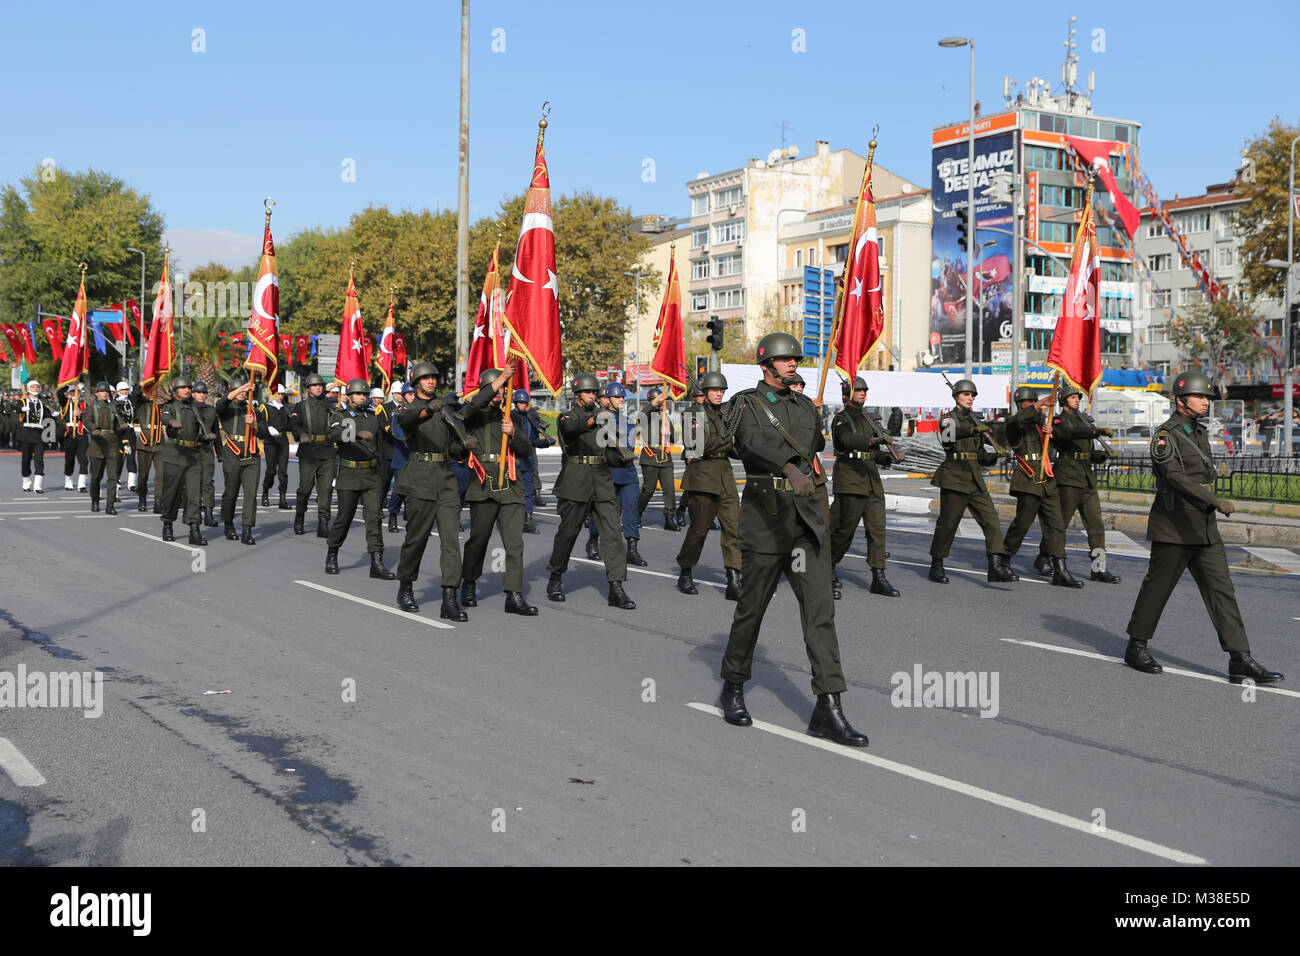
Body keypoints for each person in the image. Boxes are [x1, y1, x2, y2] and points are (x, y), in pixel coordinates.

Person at [715, 332, 867, 746]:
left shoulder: (804, 404)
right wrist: (787, 466)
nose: (793, 365)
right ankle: (732, 686)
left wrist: (813, 425)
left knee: (820, 613)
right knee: (752, 609)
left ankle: (829, 706)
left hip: (806, 521)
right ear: (766, 365)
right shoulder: (745, 402)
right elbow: (749, 442)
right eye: (785, 360)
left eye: (795, 360)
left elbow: (814, 445)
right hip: (767, 518)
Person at [1123, 371, 1283, 683]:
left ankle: (1239, 658)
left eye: (1207, 397)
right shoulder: (1165, 436)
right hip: (1174, 525)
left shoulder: (1199, 432)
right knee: (1158, 589)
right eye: (1200, 397)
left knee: (1222, 590)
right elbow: (1174, 477)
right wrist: (1214, 499)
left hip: (1204, 526)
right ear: (1181, 401)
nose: (1206, 402)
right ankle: (1136, 646)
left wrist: (1209, 503)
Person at [545, 373, 636, 609]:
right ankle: (556, 577)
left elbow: (608, 449)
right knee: (568, 533)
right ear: (577, 395)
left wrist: (622, 458)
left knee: (613, 534)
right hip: (576, 480)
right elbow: (569, 430)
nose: (592, 396)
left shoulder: (604, 418)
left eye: (595, 393)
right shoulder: (569, 415)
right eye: (588, 392)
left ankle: (616, 587)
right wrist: (591, 421)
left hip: (602, 479)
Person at [458, 368, 538, 615]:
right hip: (484, 483)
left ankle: (513, 594)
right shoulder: (473, 413)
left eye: (503, 387)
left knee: (514, 544)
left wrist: (513, 433)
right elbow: (471, 408)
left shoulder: (511, 416)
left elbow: (526, 449)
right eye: (497, 387)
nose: (501, 392)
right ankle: (469, 583)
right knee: (478, 540)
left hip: (510, 485)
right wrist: (501, 378)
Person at [394, 363, 470, 619]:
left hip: (446, 480)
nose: (430, 382)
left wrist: (466, 446)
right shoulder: (409, 405)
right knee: (416, 539)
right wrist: (427, 410)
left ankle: (449, 597)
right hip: (419, 480)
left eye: (433, 378)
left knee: (451, 541)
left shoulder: (445, 407)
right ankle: (406, 586)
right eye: (425, 378)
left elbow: (453, 445)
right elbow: (406, 422)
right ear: (416, 382)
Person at [928, 379, 1017, 584]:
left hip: (974, 477)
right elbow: (949, 438)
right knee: (948, 524)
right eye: (966, 394)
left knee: (991, 521)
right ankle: (937, 564)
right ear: (957, 396)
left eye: (973, 395)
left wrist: (992, 457)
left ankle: (995, 565)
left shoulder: (975, 421)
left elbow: (978, 454)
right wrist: (971, 431)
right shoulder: (948, 419)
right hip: (954, 476)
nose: (970, 398)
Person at [1001, 386, 1082, 588]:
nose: (1035, 408)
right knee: (1022, 524)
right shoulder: (1015, 424)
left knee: (1056, 525)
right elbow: (1015, 422)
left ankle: (1060, 569)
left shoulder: (1041, 425)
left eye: (1033, 403)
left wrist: (1053, 432)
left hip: (1047, 480)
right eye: (1029, 404)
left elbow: (1065, 435)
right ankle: (1003, 559)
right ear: (1021, 405)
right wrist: (1038, 406)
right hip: (1028, 480)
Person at [830, 376, 899, 598]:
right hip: (850, 479)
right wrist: (873, 442)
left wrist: (887, 458)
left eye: (864, 391)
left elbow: (872, 453)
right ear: (847, 393)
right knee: (844, 531)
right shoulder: (841, 418)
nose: (863, 394)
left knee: (877, 531)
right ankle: (828, 565)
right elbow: (847, 441)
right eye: (858, 390)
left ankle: (878, 576)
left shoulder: (869, 418)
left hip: (871, 479)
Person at [674, 371, 741, 600]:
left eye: (722, 390)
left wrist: (739, 440)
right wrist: (729, 438)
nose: (719, 393)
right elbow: (699, 444)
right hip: (702, 476)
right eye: (714, 390)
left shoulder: (724, 415)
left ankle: (734, 579)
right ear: (705, 391)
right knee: (699, 530)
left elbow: (734, 449)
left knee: (734, 528)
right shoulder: (694, 413)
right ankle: (685, 568)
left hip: (724, 475)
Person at [1047, 384, 1120, 583]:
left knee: (1096, 525)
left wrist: (1102, 455)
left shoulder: (1084, 421)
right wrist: (1093, 433)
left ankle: (1098, 568)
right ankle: (1053, 563)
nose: (1077, 399)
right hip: (1068, 477)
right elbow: (1067, 435)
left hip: (1086, 477)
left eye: (1078, 397)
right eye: (1072, 397)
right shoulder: (1059, 420)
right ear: (1063, 400)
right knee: (1060, 524)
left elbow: (1087, 452)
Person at [325, 378, 396, 579]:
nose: (362, 397)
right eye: (358, 394)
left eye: (365, 394)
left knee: (374, 517)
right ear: (349, 395)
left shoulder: (373, 417)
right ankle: (332, 553)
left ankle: (377, 562)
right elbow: (336, 434)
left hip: (371, 474)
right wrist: (357, 434)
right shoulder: (341, 415)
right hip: (349, 473)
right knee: (344, 518)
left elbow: (382, 444)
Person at [585, 382, 645, 567]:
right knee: (603, 512)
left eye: (623, 397)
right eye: (618, 397)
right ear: (607, 399)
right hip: (608, 472)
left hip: (628, 472)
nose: (622, 400)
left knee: (631, 509)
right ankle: (593, 539)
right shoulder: (600, 419)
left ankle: (632, 549)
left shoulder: (626, 420)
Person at [215, 380, 269, 545]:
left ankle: (247, 529)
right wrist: (243, 386)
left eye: (245, 391)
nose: (243, 393)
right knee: (231, 492)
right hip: (232, 453)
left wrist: (254, 424)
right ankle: (228, 523)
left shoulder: (253, 410)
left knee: (251, 494)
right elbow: (220, 403)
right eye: (240, 390)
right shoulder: (227, 409)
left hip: (251, 455)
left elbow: (264, 432)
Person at [158, 376, 209, 545]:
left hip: (193, 455)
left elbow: (200, 427)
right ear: (176, 391)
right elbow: (164, 418)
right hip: (175, 454)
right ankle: (167, 524)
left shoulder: (195, 408)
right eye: (183, 388)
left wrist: (206, 436)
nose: (187, 390)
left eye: (189, 387)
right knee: (172, 493)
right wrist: (171, 422)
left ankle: (194, 529)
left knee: (194, 494)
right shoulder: (170, 406)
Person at [289, 373, 338, 537]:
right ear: (308, 388)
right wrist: (301, 434)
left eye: (320, 385)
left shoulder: (329, 405)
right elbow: (294, 424)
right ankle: (300, 516)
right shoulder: (301, 406)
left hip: (327, 450)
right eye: (315, 385)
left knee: (326, 490)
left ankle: (323, 522)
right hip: (309, 451)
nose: (318, 387)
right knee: (305, 488)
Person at [637, 387, 680, 531]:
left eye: (661, 402)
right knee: (648, 489)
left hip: (665, 457)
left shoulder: (665, 418)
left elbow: (675, 438)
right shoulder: (645, 416)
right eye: (657, 402)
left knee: (669, 489)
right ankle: (637, 514)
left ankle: (669, 517)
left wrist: (668, 432)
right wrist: (653, 404)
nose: (659, 405)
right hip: (650, 456)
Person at [512, 388, 553, 534]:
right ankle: (510, 520)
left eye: (525, 402)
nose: (523, 404)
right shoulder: (510, 417)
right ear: (516, 402)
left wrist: (547, 442)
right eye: (520, 402)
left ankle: (528, 520)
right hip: (513, 460)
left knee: (528, 492)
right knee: (512, 492)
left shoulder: (530, 419)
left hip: (527, 460)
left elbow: (533, 440)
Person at [85, 381, 127, 514]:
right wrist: (93, 429)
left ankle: (110, 504)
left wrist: (123, 427)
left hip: (112, 444)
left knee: (113, 476)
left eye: (107, 391)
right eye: (102, 391)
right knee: (96, 476)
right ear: (97, 393)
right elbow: (86, 420)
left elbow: (119, 426)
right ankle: (95, 500)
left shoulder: (113, 407)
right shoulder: (91, 407)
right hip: (97, 443)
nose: (105, 393)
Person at [131, 380, 167, 512]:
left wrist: (162, 393)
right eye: (150, 392)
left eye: (154, 392)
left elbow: (173, 401)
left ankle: (158, 500)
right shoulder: (141, 405)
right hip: (144, 445)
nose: (152, 394)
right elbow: (135, 395)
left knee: (161, 474)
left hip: (159, 445)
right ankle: (142, 498)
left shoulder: (163, 407)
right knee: (143, 476)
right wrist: (142, 384)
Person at [191, 381, 220, 527]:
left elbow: (216, 433)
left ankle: (209, 514)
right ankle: (193, 513)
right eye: (199, 392)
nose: (202, 395)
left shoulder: (211, 411)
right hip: (191, 450)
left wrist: (220, 453)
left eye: (204, 393)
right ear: (193, 393)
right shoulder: (188, 409)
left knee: (208, 483)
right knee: (192, 483)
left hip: (206, 450)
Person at [17, 380, 54, 493]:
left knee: (39, 460)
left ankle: (38, 485)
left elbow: (47, 416)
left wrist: (54, 416)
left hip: (39, 434)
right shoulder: (23, 402)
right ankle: (26, 480)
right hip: (26, 432)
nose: (35, 388)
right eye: (33, 387)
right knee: (26, 460)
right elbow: (17, 408)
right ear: (28, 389)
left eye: (37, 387)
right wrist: (22, 409)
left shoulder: (42, 403)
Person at [261, 384, 291, 509]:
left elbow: (292, 423)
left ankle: (282, 499)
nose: (280, 396)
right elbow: (261, 421)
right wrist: (268, 428)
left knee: (283, 472)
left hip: (283, 441)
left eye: (282, 394)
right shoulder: (265, 407)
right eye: (278, 393)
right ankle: (265, 492)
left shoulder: (286, 408)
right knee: (271, 471)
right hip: (271, 442)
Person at [58, 383, 89, 492]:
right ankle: (68, 480)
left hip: (81, 433)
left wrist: (80, 414)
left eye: (76, 391)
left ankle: (82, 484)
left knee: (84, 459)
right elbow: (60, 394)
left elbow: (90, 418)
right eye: (72, 391)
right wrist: (69, 383)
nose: (74, 393)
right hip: (69, 433)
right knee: (69, 459)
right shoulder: (65, 403)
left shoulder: (84, 404)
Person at [114, 381, 137, 492]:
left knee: (131, 455)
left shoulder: (131, 400)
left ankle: (131, 482)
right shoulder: (114, 402)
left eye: (126, 389)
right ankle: (116, 479)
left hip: (130, 429)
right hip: (119, 431)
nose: (125, 392)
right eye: (122, 390)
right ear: (118, 391)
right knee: (119, 457)